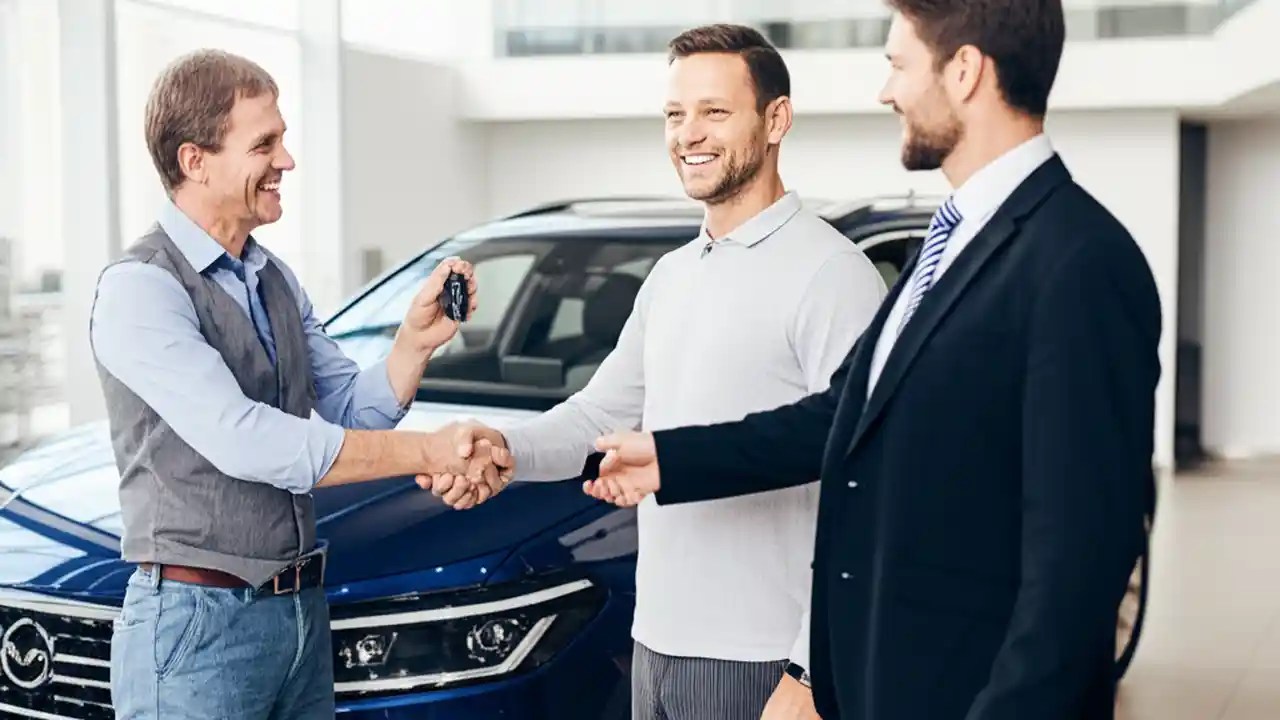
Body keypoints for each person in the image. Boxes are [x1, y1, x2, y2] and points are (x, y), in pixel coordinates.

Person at [584, 2, 1163, 719]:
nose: (885, 92)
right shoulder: (949, 244)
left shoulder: (1080, 260)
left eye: (897, 66)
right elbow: (843, 420)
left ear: (964, 70)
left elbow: (1080, 565)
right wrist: (670, 458)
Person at [423, 24, 886, 720]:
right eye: (675, 114)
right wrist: (505, 449)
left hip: (763, 663)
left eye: (714, 112)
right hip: (656, 646)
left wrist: (812, 669)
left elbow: (866, 486)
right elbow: (595, 418)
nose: (688, 133)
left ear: (776, 120)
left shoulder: (832, 275)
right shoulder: (671, 276)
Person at [90, 50, 507, 720]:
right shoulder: (142, 288)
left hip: (298, 618)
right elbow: (251, 443)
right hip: (196, 630)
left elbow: (352, 412)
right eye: (265, 144)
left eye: (281, 140)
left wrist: (413, 343)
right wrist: (431, 453)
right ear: (195, 160)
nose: (287, 161)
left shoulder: (272, 277)